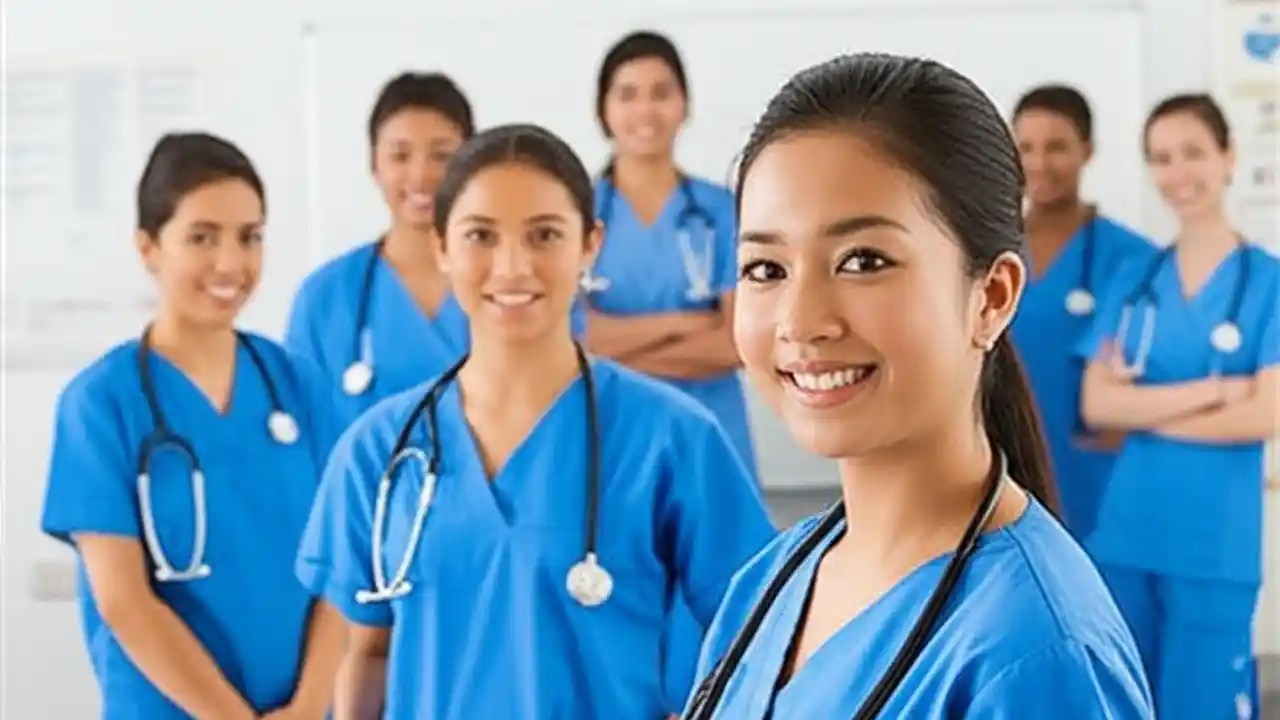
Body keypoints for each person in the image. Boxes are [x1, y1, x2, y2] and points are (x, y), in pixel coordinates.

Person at [682, 53, 1154, 719]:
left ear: (991, 296)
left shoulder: (1037, 652)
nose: (801, 321)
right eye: (765, 268)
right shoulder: (768, 585)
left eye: (863, 260)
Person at [295, 123, 776, 719]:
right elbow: (367, 654)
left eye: (545, 234)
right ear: (442, 245)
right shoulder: (378, 451)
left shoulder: (672, 439)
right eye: (481, 236)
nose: (513, 265)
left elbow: (762, 638)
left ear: (590, 244)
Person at [39, 133, 346, 719]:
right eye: (202, 237)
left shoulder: (299, 386)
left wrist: (309, 705)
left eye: (249, 237)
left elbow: (338, 562)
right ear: (149, 247)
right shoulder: (101, 405)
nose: (231, 262)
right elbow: (125, 602)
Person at [1077, 93, 1278, 720]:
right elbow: (1096, 404)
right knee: (1121, 706)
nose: (1178, 172)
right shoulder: (1134, 281)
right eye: (1161, 158)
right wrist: (1214, 392)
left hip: (1214, 544)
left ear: (1228, 156)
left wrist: (1142, 407)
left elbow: (1267, 414)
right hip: (1127, 535)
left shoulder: (1267, 282)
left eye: (1192, 152)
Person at [581, 31, 757, 480]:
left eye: (661, 93)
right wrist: (686, 322)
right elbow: (575, 339)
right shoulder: (575, 213)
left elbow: (737, 341)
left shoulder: (720, 210)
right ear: (604, 108)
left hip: (710, 428)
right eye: (627, 94)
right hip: (612, 425)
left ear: (685, 105)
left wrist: (611, 353)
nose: (645, 110)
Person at [284, 72, 477, 429]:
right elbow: (302, 434)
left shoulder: (502, 283)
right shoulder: (327, 297)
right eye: (400, 155)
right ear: (375, 165)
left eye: (442, 155)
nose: (421, 175)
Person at [1009, 85, 1156, 540]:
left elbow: (1151, 370)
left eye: (1057, 147)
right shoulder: (984, 251)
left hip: (1092, 472)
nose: (1039, 163)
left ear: (1086, 150)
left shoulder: (1132, 258)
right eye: (1026, 148)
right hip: (999, 458)